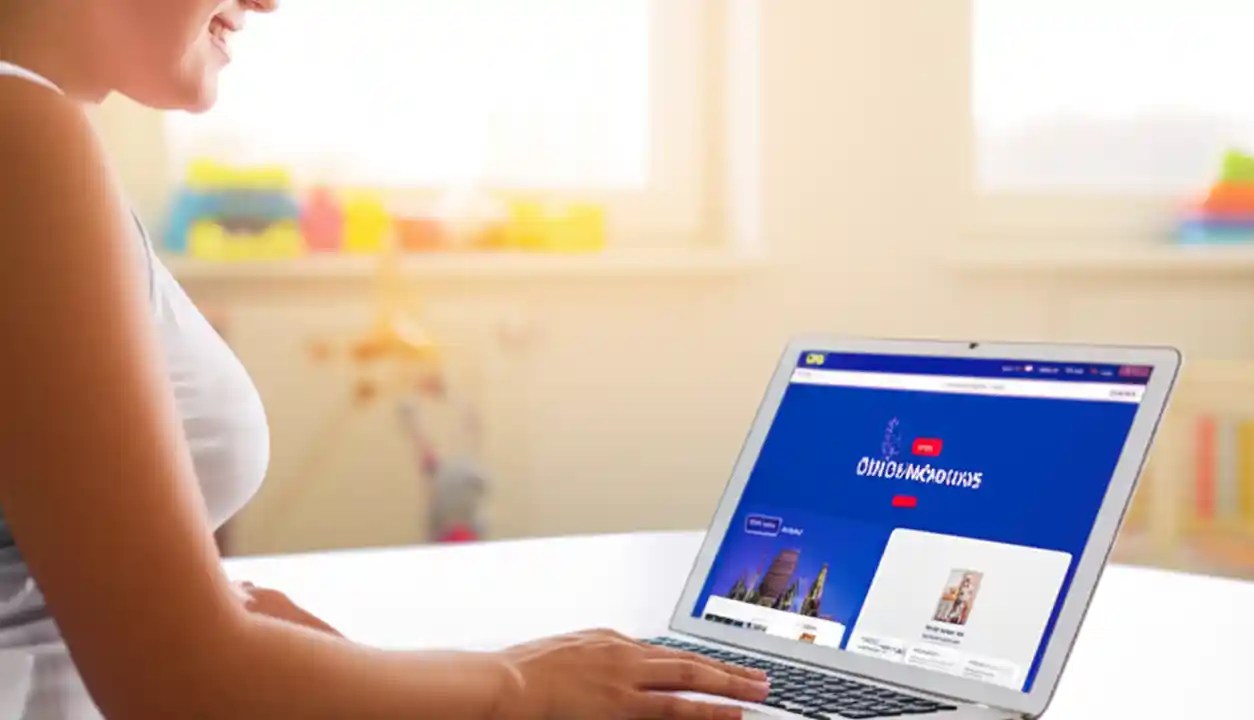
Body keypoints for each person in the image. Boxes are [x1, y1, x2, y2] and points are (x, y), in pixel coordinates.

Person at [0, 1, 770, 717]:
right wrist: (517, 687)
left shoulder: (40, 127)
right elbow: (180, 680)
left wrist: (256, 637)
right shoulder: (21, 135)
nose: (268, 0)